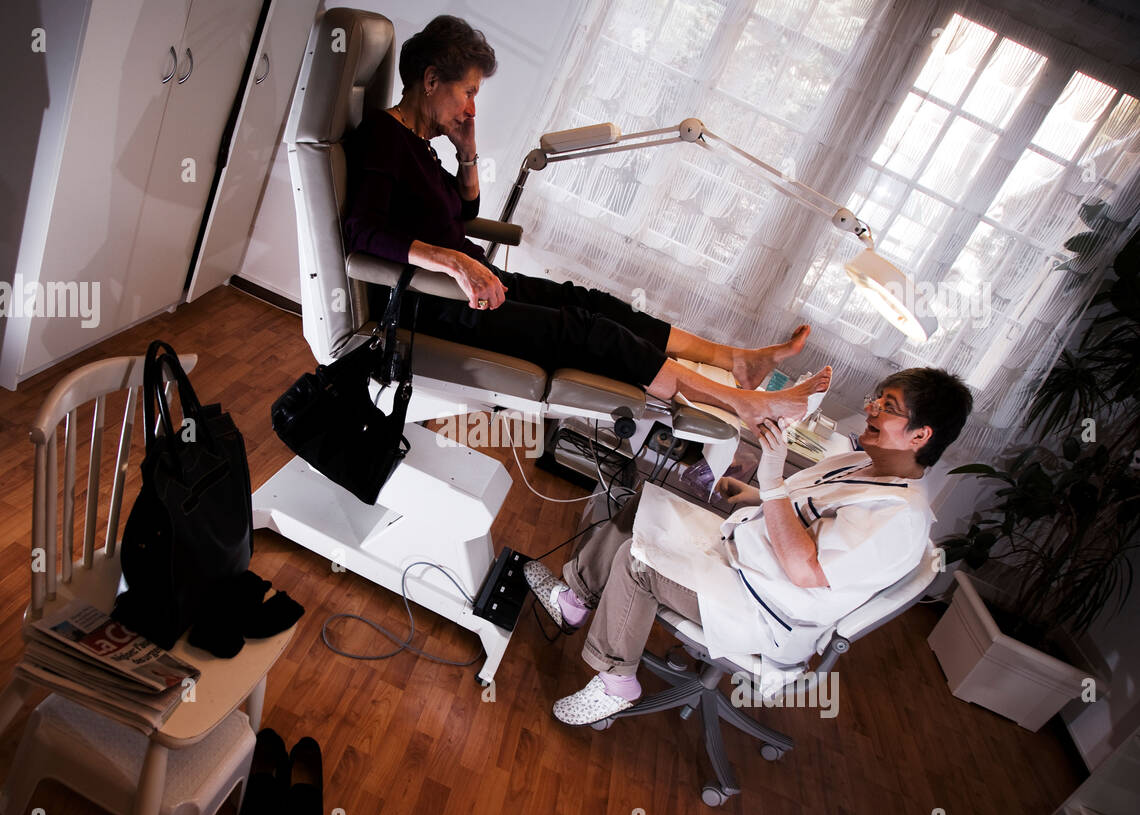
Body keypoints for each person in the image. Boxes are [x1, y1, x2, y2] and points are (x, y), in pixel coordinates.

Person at [341, 14, 831, 429]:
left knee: (589, 302)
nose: (472, 107)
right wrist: (454, 263)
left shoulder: (421, 144)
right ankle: (741, 403)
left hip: (460, 291)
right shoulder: (385, 136)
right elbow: (361, 232)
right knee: (593, 333)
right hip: (430, 305)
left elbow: (462, 214)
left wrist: (467, 154)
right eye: (467, 92)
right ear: (430, 81)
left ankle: (735, 360)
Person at [524, 367, 973, 725]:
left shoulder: (901, 517)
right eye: (877, 399)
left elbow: (805, 571)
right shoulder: (865, 461)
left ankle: (616, 682)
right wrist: (758, 494)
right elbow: (805, 508)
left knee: (638, 564)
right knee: (648, 502)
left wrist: (773, 482)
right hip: (748, 561)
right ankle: (576, 601)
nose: (871, 409)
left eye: (887, 407)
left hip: (768, 609)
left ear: (920, 436)